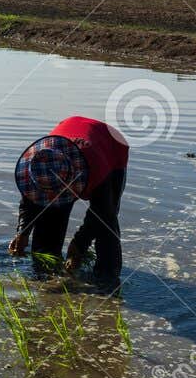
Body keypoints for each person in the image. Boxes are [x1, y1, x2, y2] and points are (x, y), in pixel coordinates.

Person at [8, 115, 128, 282]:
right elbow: (29, 201)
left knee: (106, 225)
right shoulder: (37, 165)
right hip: (67, 136)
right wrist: (23, 231)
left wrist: (80, 243)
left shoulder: (98, 171)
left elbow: (102, 214)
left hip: (110, 146)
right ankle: (44, 275)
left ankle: (107, 280)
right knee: (49, 223)